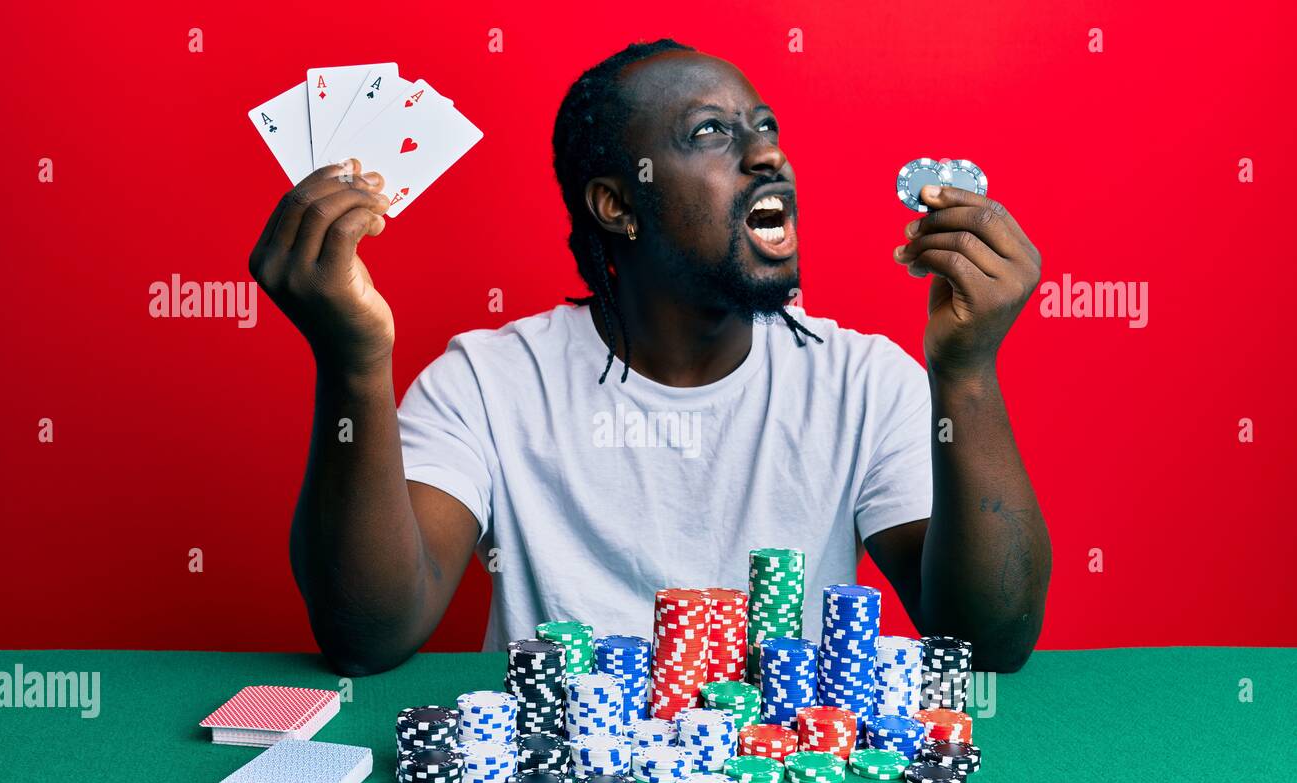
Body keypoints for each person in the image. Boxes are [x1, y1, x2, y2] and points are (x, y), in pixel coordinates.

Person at [248, 39, 1050, 677]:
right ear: (618, 204)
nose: (767, 155)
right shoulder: (488, 382)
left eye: (766, 127)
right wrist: (352, 365)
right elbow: (370, 634)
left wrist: (967, 371)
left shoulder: (865, 383)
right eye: (712, 134)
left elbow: (988, 641)